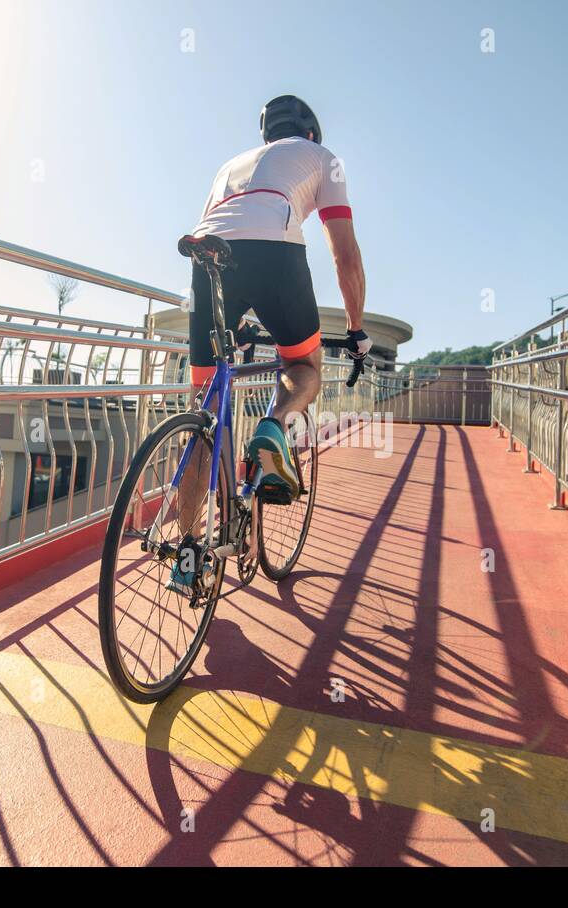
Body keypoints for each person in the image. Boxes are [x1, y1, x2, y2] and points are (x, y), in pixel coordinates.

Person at [171, 95, 369, 594]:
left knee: (203, 410)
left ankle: (188, 553)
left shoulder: (230, 165)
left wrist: (231, 320)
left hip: (206, 253)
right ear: (311, 133)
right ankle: (272, 425)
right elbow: (345, 256)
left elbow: (219, 238)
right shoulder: (324, 160)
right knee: (303, 366)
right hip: (274, 248)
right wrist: (356, 327)